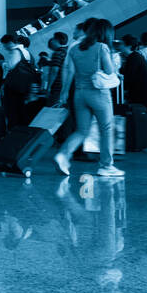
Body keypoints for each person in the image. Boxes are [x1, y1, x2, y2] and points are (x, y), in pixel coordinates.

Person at [52, 17, 124, 178]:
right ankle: (106, 166)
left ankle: (63, 154)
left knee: (81, 130)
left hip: (79, 93)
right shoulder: (101, 48)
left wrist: (64, 94)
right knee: (106, 129)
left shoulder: (74, 49)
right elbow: (109, 71)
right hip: (98, 93)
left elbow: (69, 71)